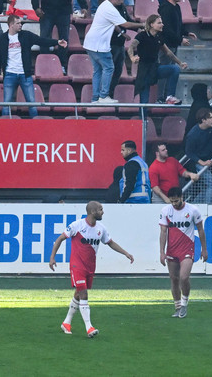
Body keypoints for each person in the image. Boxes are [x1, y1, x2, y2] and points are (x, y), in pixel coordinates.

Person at [49, 200, 134, 338]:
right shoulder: (77, 225)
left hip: (90, 266)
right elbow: (59, 239)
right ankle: (89, 327)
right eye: (100, 209)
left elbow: (110, 243)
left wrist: (126, 253)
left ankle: (66, 322)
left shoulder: (101, 228)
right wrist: (52, 257)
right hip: (77, 265)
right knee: (84, 294)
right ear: (92, 212)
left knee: (78, 293)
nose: (103, 212)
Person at [0, 13, 64, 117]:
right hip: (9, 74)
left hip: (25, 75)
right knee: (6, 103)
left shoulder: (26, 35)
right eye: (18, 23)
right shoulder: (2, 39)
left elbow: (41, 41)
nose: (21, 25)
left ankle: (35, 125)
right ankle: (4, 126)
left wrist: (57, 42)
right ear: (11, 25)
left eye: (21, 23)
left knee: (32, 103)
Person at [84, 0, 143, 104]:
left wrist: (121, 33)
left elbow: (113, 23)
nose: (123, 0)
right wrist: (143, 25)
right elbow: (126, 24)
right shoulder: (110, 8)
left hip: (91, 43)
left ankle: (95, 98)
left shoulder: (105, 5)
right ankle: (104, 95)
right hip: (99, 44)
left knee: (98, 70)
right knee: (109, 67)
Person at [159, 186, 206, 318]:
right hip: (172, 249)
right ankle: (177, 307)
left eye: (176, 201)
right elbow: (163, 232)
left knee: (184, 277)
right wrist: (162, 252)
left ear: (181, 197)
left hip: (187, 249)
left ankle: (184, 304)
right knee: (174, 279)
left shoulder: (193, 210)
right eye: (171, 201)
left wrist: (204, 249)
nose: (174, 204)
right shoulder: (166, 211)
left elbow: (201, 230)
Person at [116, 139, 150, 203]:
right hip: (144, 199)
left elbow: (130, 184)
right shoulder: (141, 162)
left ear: (129, 150)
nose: (121, 152)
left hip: (134, 200)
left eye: (123, 150)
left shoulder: (131, 163)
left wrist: (122, 200)